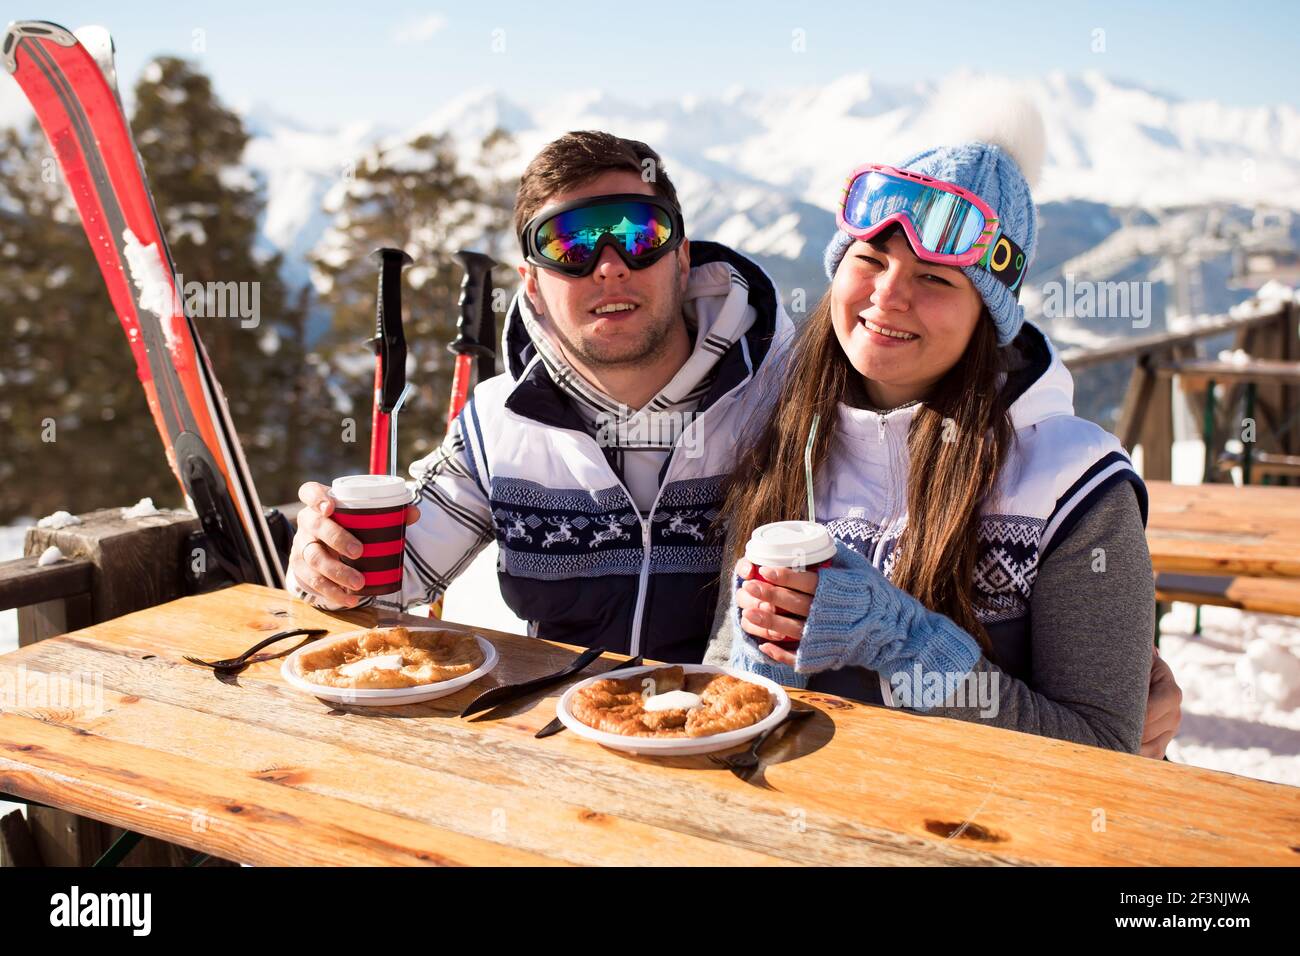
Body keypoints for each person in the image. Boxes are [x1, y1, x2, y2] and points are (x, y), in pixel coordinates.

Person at [707, 112, 1170, 754]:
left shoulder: (1070, 482)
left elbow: (1104, 749)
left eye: (934, 278)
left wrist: (901, 639)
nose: (889, 296)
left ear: (988, 314)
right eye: (870, 258)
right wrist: (759, 656)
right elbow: (728, 667)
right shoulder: (783, 437)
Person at [287, 130, 792, 661]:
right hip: (561, 728)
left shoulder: (784, 404)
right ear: (531, 282)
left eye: (640, 235)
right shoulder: (498, 425)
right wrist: (327, 565)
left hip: (740, 724)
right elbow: (389, 578)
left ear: (682, 258)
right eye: (569, 245)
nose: (610, 265)